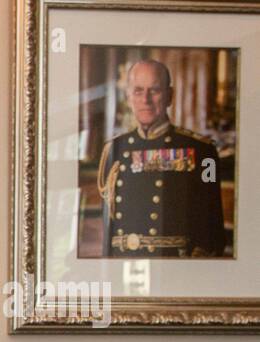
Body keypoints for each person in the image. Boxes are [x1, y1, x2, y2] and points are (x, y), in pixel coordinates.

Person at [96, 58, 226, 257]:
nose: (145, 100)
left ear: (169, 96)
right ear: (128, 96)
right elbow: (109, 226)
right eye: (138, 91)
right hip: (123, 265)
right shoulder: (114, 150)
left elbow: (212, 223)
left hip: (176, 267)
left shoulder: (203, 152)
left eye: (154, 90)